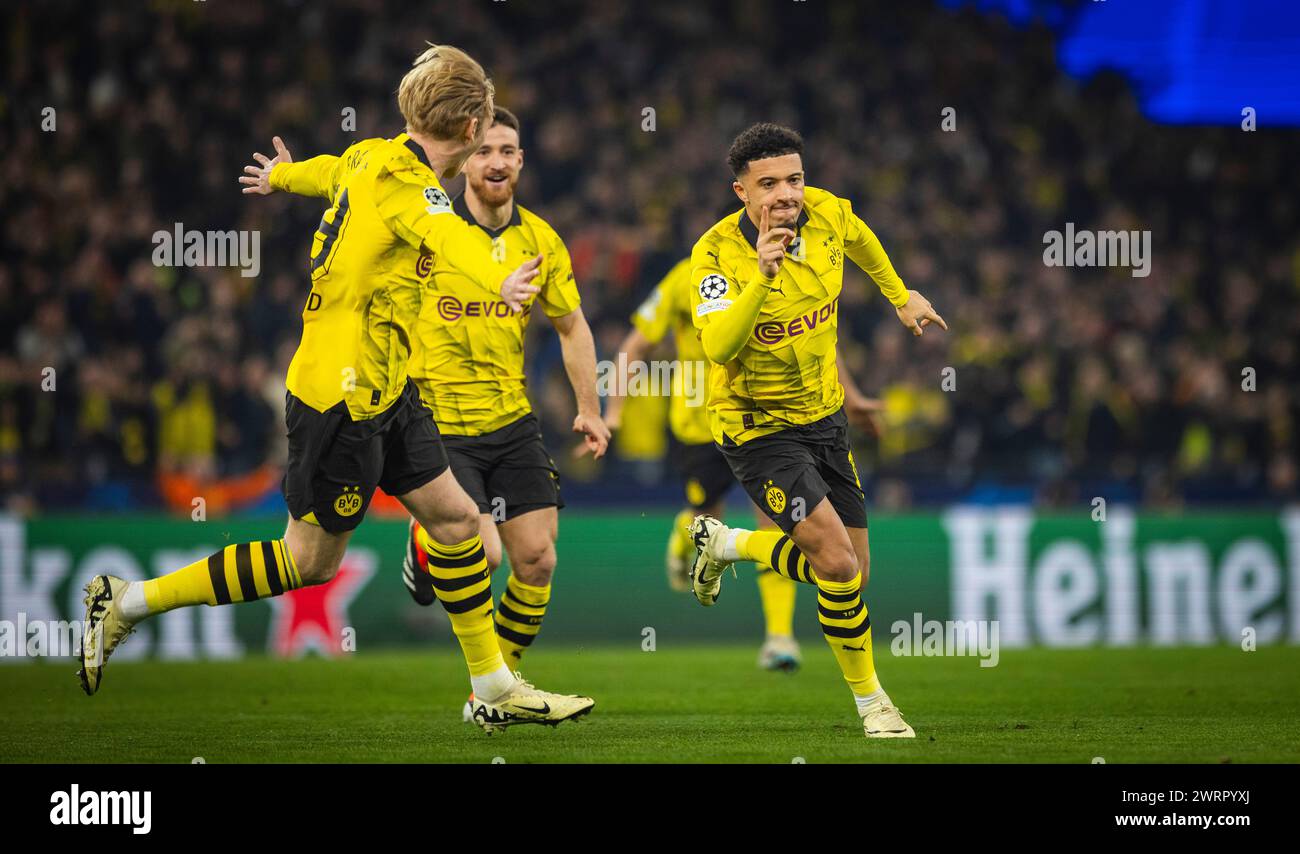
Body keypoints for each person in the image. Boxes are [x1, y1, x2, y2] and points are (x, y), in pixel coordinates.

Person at [80, 45, 593, 733]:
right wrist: (497, 278)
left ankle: (492, 684)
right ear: (472, 132)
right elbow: (451, 236)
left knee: (457, 522)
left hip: (388, 387)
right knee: (308, 562)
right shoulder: (415, 195)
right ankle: (127, 600)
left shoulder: (372, 155)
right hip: (339, 402)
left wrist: (284, 175)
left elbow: (331, 173)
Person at [686, 122, 947, 738]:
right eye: (769, 184)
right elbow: (720, 345)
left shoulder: (827, 213)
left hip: (824, 418)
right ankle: (874, 704)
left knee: (853, 570)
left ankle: (729, 545)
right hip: (757, 429)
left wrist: (899, 294)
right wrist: (762, 277)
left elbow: (861, 238)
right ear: (741, 193)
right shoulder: (716, 256)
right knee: (833, 563)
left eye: (795, 180)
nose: (786, 195)